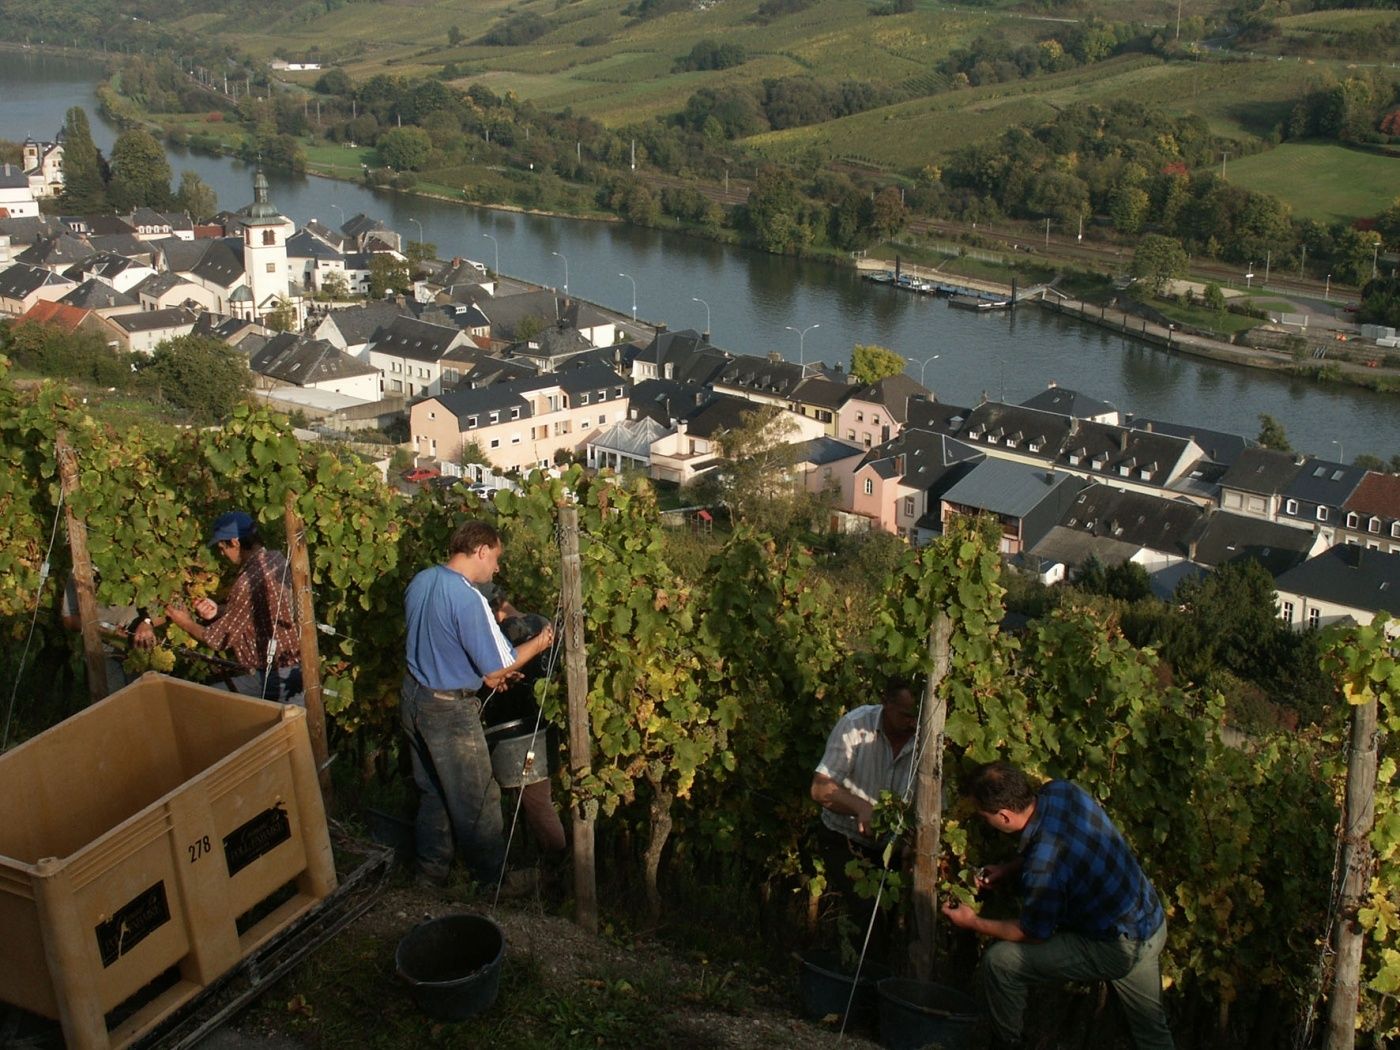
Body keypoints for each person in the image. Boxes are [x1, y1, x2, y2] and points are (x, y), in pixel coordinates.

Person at [941, 761, 1174, 1050]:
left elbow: (1033, 931)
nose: (983, 821)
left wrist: (971, 922)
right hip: (1149, 924)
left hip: (1116, 947)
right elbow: (1065, 845)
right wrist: (1009, 868)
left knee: (1001, 962)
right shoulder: (1062, 790)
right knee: (1152, 1034)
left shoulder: (1043, 864)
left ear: (1003, 816)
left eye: (983, 816)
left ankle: (1007, 1045)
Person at [400, 520, 555, 889]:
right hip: (448, 712)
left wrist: (489, 673)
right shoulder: (469, 599)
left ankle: (429, 876)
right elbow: (498, 665)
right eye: (496, 558)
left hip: (413, 698)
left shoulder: (421, 581)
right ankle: (492, 884)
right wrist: (541, 642)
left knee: (433, 791)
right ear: (481, 551)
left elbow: (446, 646)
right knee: (480, 803)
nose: (496, 568)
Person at [809, 679, 918, 946]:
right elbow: (819, 789)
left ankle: (865, 975)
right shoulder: (855, 725)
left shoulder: (929, 738)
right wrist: (861, 807)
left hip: (892, 849)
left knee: (891, 922)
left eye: (917, 715)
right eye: (905, 714)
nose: (912, 722)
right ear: (886, 703)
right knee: (869, 912)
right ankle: (856, 979)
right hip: (843, 839)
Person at [164, 510, 303, 704]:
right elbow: (259, 608)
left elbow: (218, 640)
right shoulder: (275, 558)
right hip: (295, 665)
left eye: (222, 547)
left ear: (235, 542)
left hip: (271, 675)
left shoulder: (246, 583)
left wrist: (184, 622)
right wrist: (220, 610)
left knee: (206, 701)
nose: (221, 553)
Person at [480, 584, 567, 858]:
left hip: (515, 736)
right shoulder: (542, 623)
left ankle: (558, 863)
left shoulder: (505, 634)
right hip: (543, 729)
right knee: (537, 800)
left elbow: (491, 678)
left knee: (537, 803)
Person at [60, 571, 158, 694]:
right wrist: (106, 633)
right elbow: (69, 620)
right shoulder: (80, 569)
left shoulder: (144, 562)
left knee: (145, 702)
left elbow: (164, 610)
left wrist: (147, 622)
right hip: (103, 653)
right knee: (114, 705)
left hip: (140, 650)